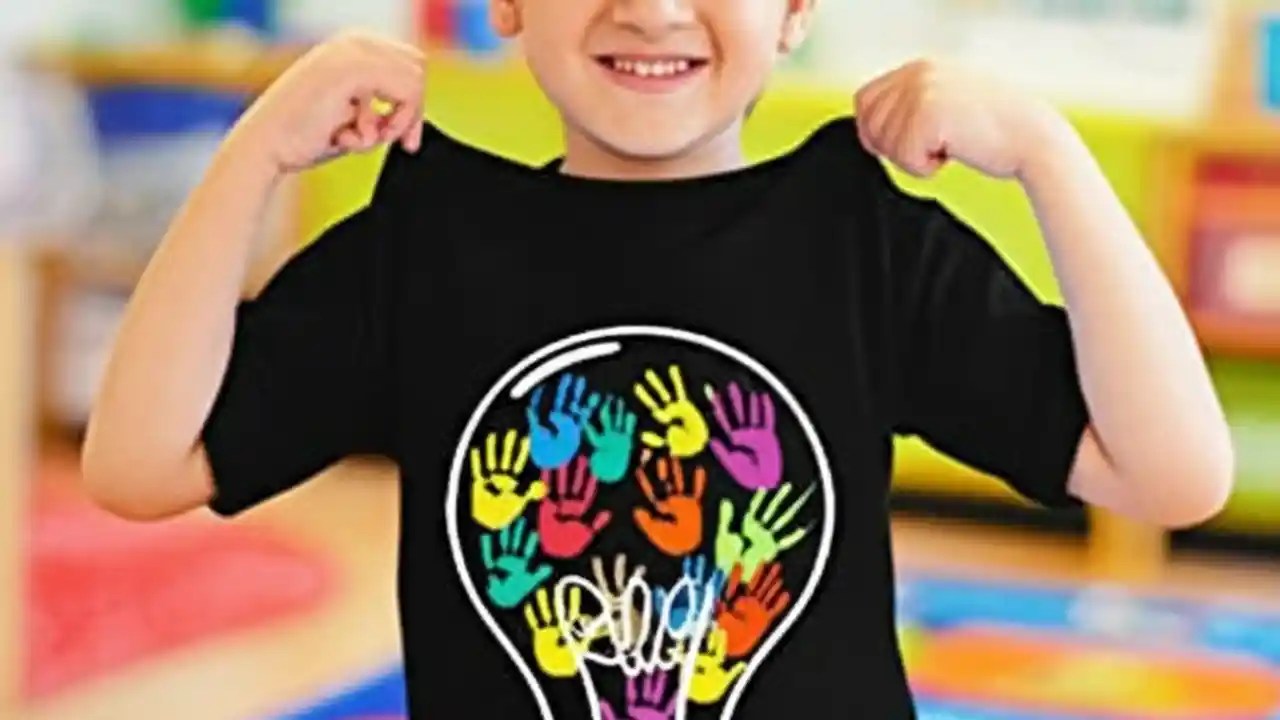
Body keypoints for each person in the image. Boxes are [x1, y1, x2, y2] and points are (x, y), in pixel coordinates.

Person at [81, 1, 1234, 718]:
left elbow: (1170, 475)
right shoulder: (424, 246)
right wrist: (253, 157)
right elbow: (141, 464)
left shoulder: (855, 240)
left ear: (794, 7)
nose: (651, 6)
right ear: (506, 3)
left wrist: (1045, 153)